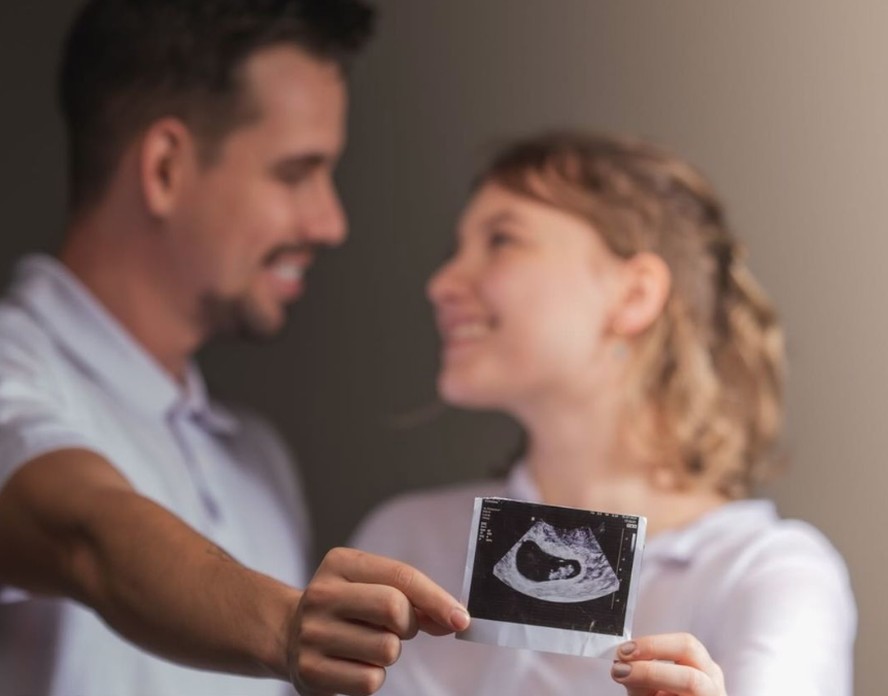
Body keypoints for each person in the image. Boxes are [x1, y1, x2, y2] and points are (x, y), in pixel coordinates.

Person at [0, 2, 469, 695]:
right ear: (164, 168)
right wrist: (284, 626)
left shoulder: (259, 463)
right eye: (294, 173)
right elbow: (84, 537)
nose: (331, 222)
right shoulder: (15, 378)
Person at [351, 131, 857, 695]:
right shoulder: (406, 544)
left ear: (633, 295)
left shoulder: (768, 576)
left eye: (501, 240)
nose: (441, 283)